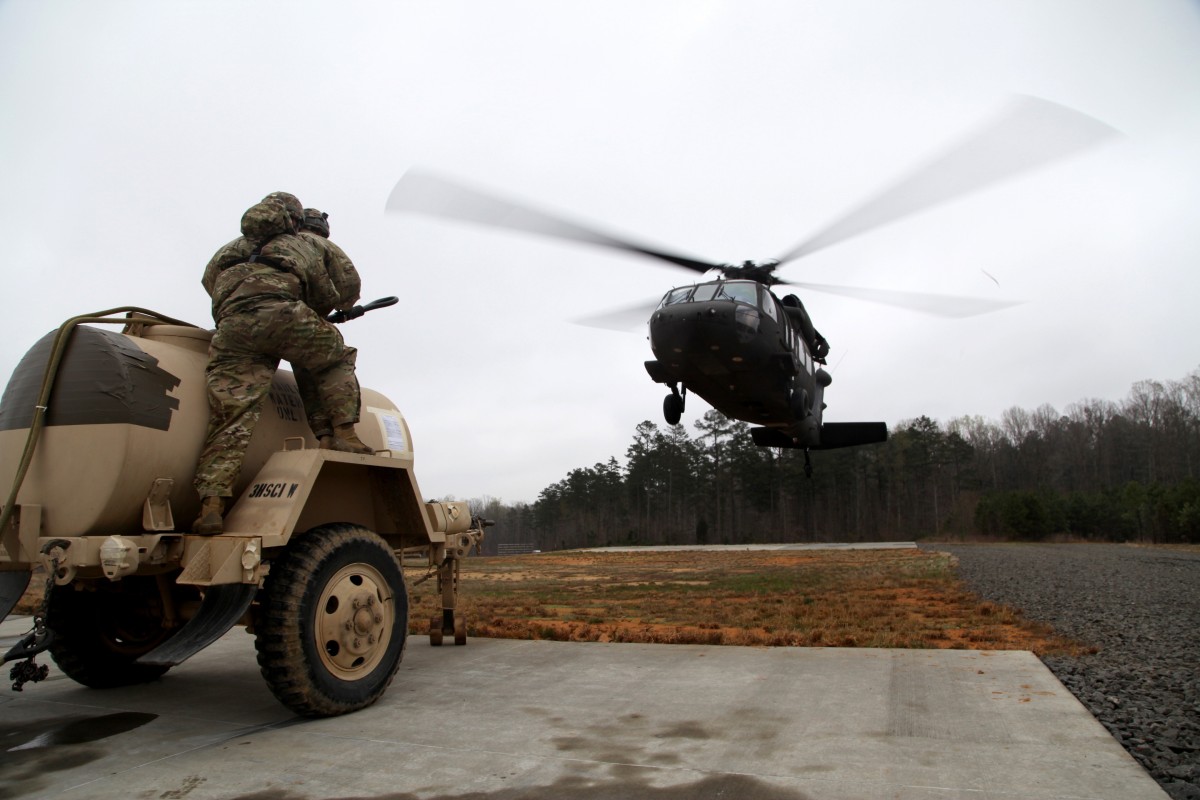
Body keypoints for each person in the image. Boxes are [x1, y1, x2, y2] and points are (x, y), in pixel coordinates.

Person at [192, 192, 373, 535]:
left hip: (232, 327)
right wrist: (324, 306)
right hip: (284, 313)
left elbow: (209, 282)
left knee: (231, 415)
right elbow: (339, 290)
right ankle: (344, 434)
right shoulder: (305, 243)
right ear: (294, 219)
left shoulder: (231, 247)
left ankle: (212, 505)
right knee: (334, 357)